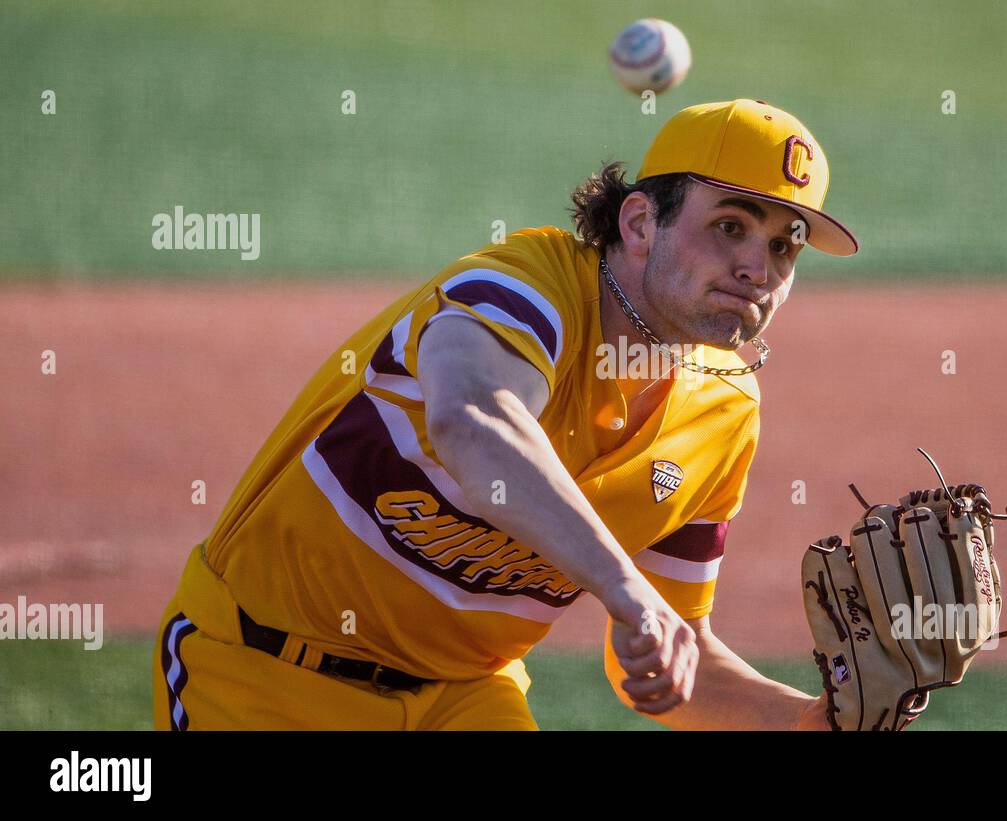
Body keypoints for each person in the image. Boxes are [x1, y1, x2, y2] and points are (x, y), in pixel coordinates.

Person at [153, 98, 859, 731]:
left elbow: (668, 659)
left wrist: (812, 721)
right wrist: (624, 588)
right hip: (262, 670)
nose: (756, 268)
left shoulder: (724, 409)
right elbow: (475, 424)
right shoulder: (520, 289)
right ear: (641, 222)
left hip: (466, 697)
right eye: (730, 226)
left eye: (782, 245)